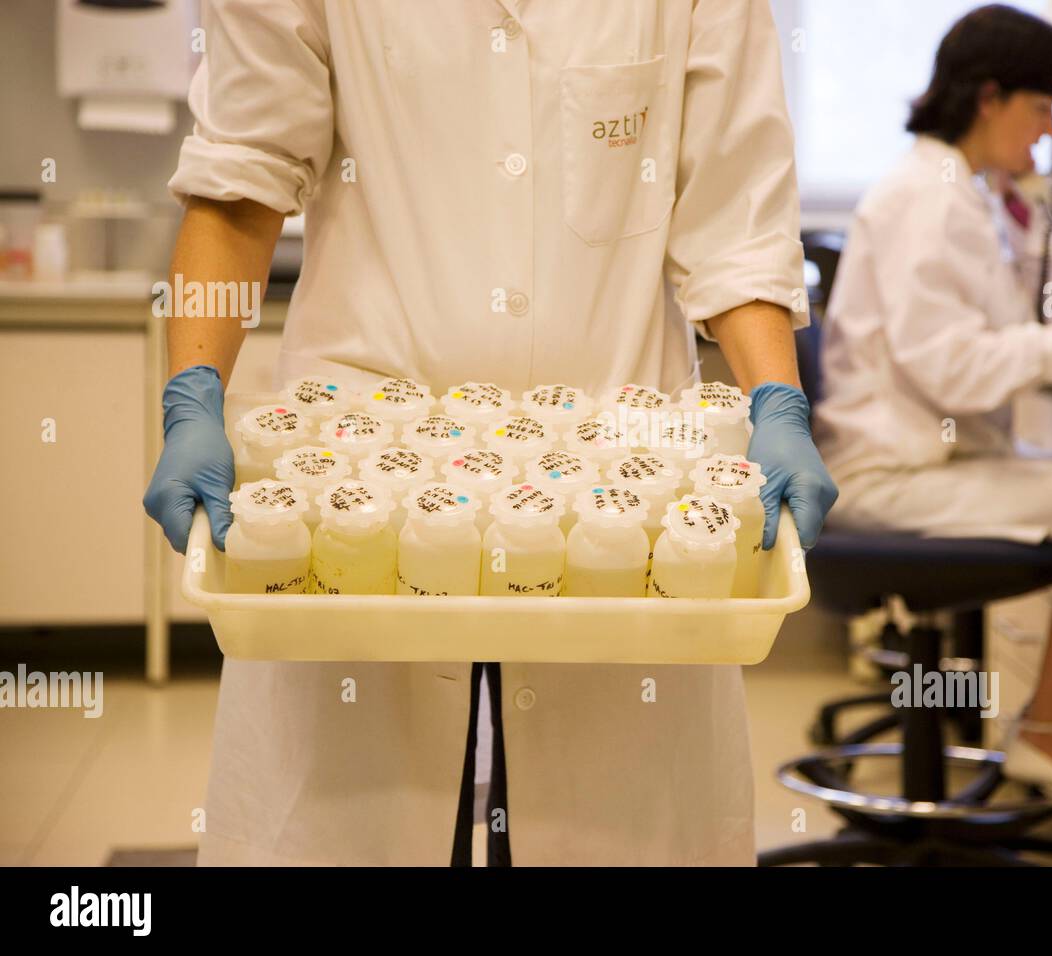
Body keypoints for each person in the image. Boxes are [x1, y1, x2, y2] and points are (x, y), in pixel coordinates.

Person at [144, 0, 837, 866]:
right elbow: (240, 175)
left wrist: (778, 402)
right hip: (357, 457)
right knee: (350, 814)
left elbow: (735, 223)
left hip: (620, 471)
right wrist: (193, 392)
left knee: (613, 818)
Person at [814, 5, 1052, 811]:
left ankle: (1039, 722)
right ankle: (1049, 727)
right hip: (897, 477)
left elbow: (1032, 302)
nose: (1046, 135)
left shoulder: (965, 193)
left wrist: (1034, 215)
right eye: (1041, 108)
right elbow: (951, 369)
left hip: (930, 458)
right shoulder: (929, 199)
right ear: (989, 97)